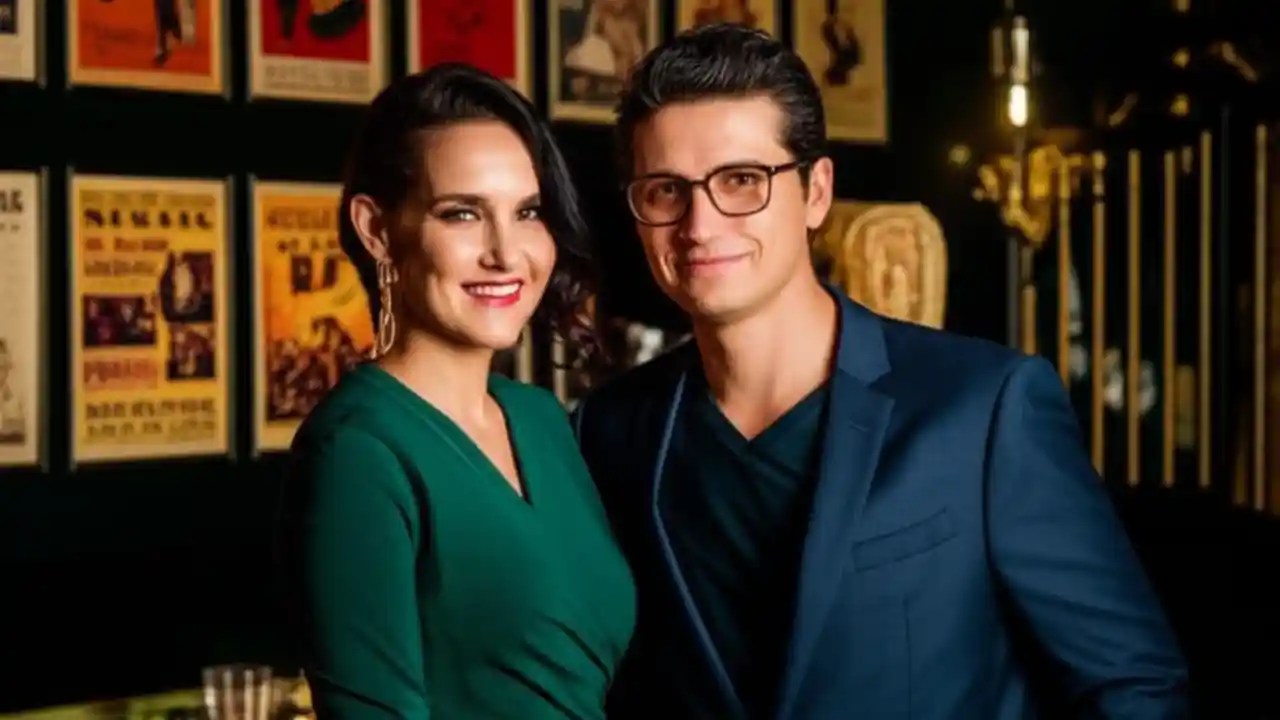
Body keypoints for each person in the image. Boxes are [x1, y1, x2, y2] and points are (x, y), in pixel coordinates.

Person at [570, 24, 1189, 719]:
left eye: (742, 181)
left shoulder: (984, 409)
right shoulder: (610, 431)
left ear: (816, 192)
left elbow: (1133, 688)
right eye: (665, 190)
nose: (700, 224)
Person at [275, 63, 636, 719]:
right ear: (377, 229)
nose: (506, 253)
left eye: (527, 212)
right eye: (462, 214)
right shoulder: (357, 452)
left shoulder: (541, 419)